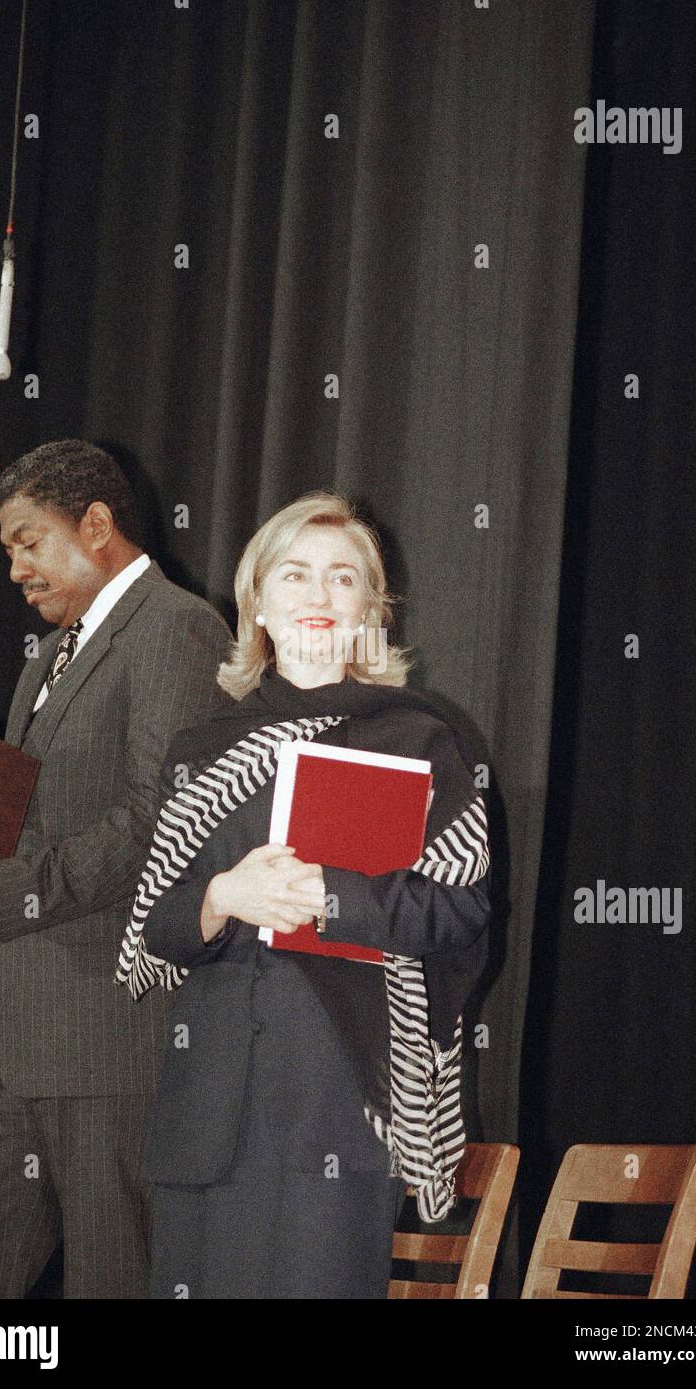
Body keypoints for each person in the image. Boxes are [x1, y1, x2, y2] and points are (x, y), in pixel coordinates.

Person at [118, 490, 491, 1299]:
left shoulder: (420, 737)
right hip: (202, 1108)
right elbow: (154, 928)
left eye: (342, 578)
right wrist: (222, 893)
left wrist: (336, 895)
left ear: (371, 607)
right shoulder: (201, 746)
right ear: (256, 603)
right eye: (294, 576)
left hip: (337, 1100)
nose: (318, 596)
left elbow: (460, 912)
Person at [0, 439, 232, 1298]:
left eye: (28, 542)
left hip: (105, 1046)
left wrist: (0, 890)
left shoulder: (178, 627)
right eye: (7, 550)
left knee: (111, 1285)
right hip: (3, 1044)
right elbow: (33, 815)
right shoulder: (46, 659)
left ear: (95, 526)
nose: (15, 569)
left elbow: (158, 818)